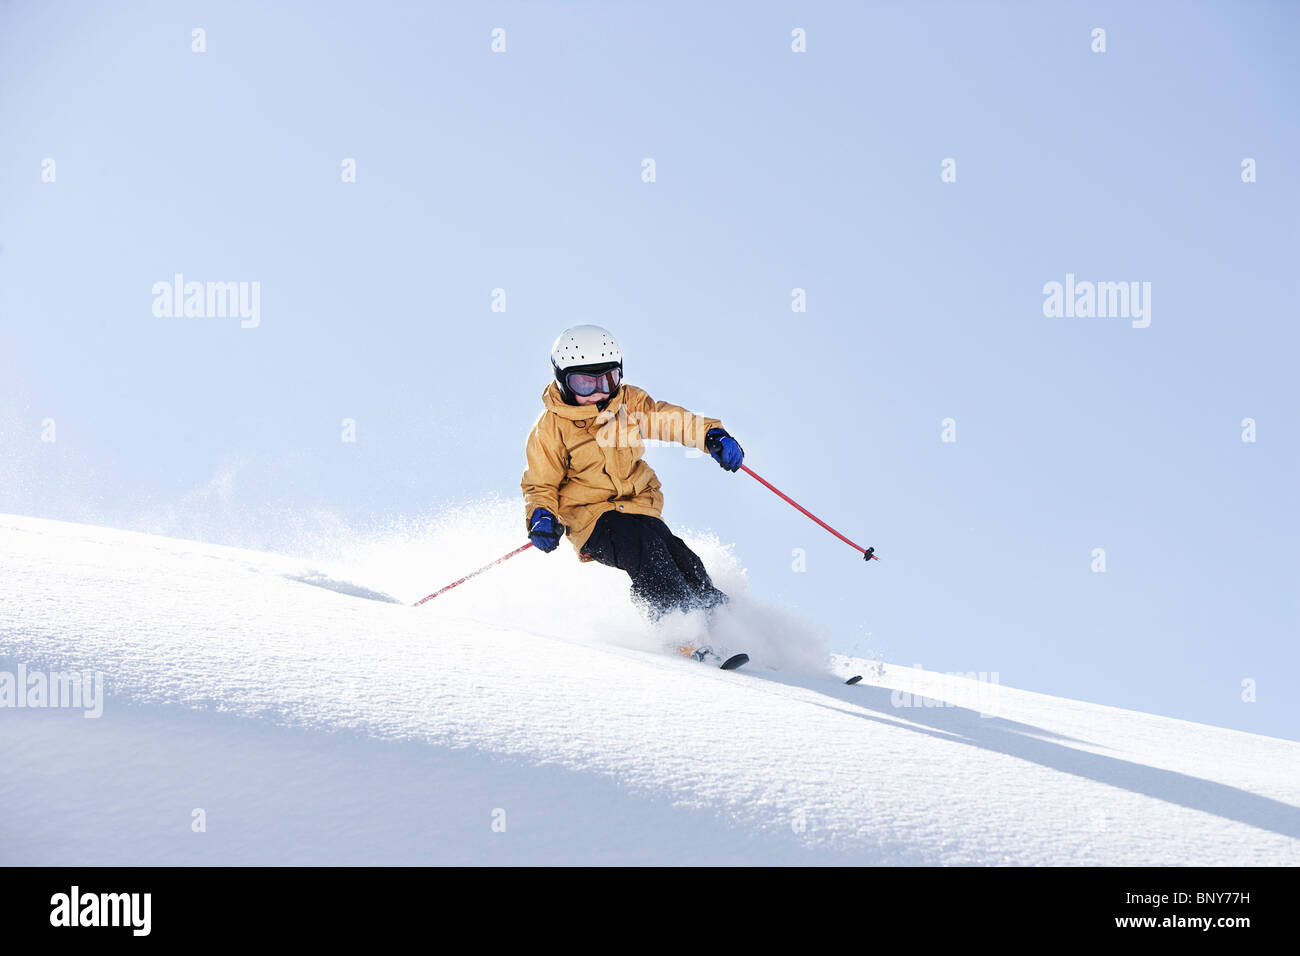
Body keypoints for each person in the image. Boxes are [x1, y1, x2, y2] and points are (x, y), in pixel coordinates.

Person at [521, 324, 745, 625]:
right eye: (585, 384)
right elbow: (540, 484)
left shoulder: (627, 404)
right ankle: (676, 628)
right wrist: (542, 516)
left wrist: (710, 435)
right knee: (645, 550)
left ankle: (725, 622)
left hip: (639, 506)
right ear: (562, 381)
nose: (598, 393)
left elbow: (669, 421)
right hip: (591, 519)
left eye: (608, 379)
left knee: (680, 557)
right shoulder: (551, 428)